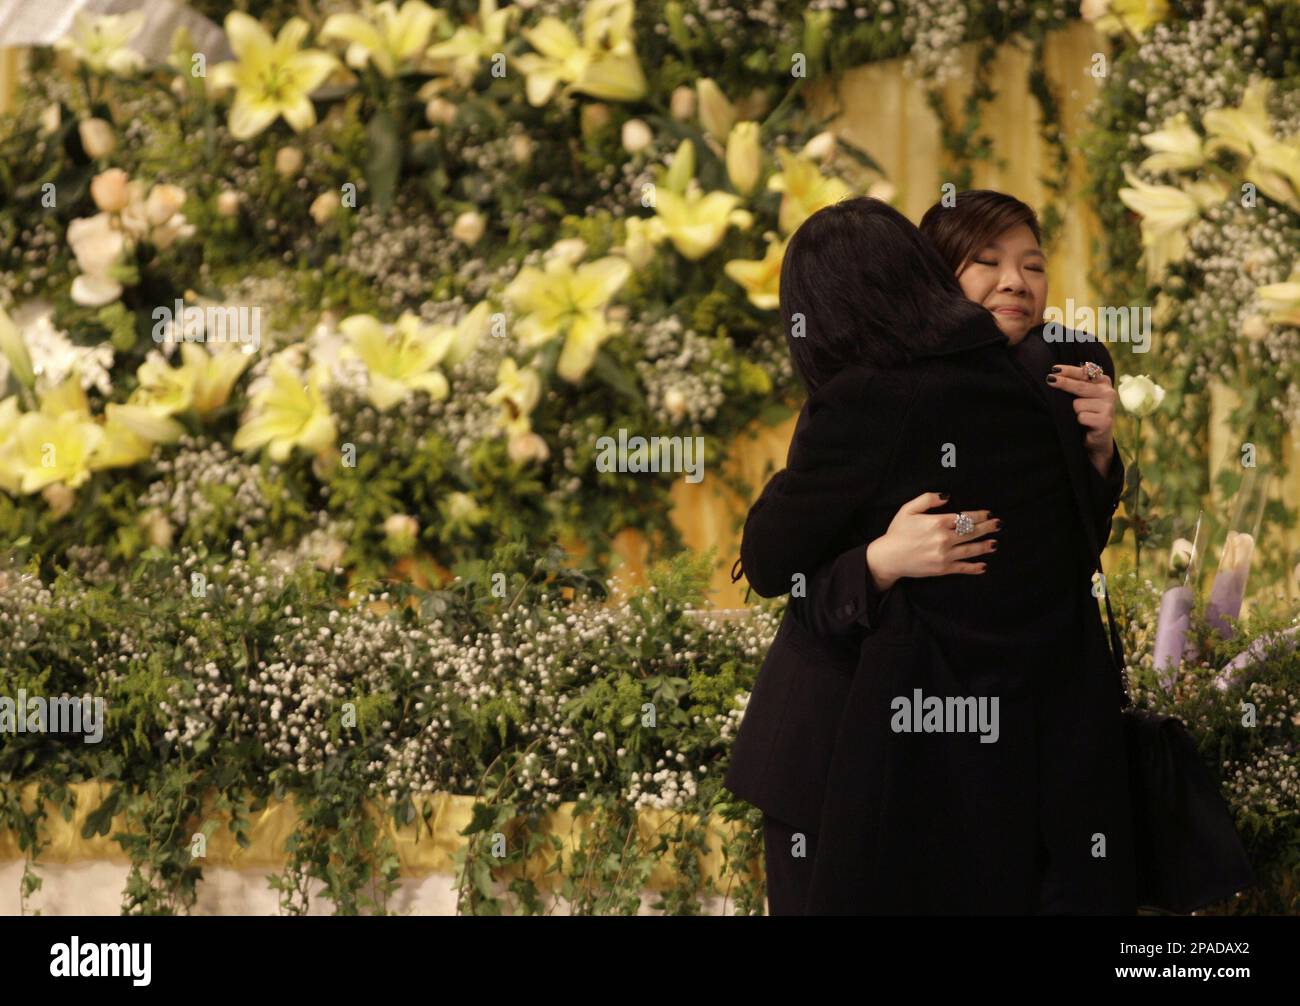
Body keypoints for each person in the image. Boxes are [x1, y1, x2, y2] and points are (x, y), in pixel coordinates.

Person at [723, 194, 1135, 914]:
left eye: (1031, 265)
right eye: (988, 263)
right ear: (932, 273)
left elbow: (767, 561)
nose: (1014, 282)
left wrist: (1098, 454)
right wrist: (880, 560)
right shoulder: (1043, 380)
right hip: (965, 768)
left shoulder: (867, 397)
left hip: (848, 756)